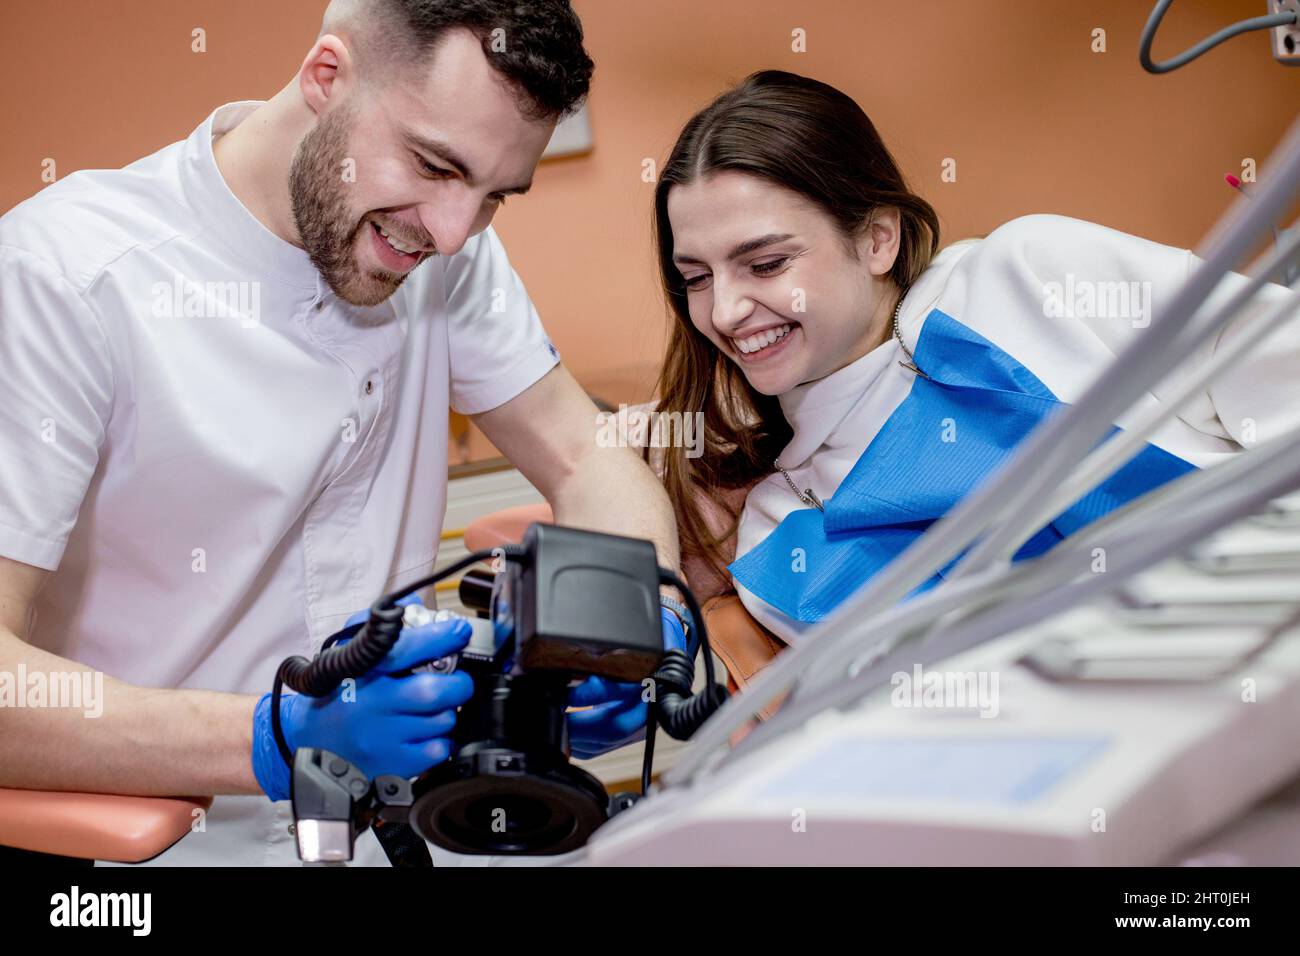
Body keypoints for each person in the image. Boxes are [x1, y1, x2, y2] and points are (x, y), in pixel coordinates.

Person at [0, 0, 689, 867]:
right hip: (176, 844)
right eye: (435, 165)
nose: (449, 233)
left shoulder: (447, 250)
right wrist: (276, 737)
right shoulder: (64, 279)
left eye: (492, 197)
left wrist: (645, 619)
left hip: (418, 822)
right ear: (327, 76)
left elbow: (585, 451)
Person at [647, 70, 1300, 645]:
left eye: (765, 263)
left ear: (877, 239)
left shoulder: (1029, 276)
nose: (725, 311)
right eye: (697, 278)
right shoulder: (782, 535)